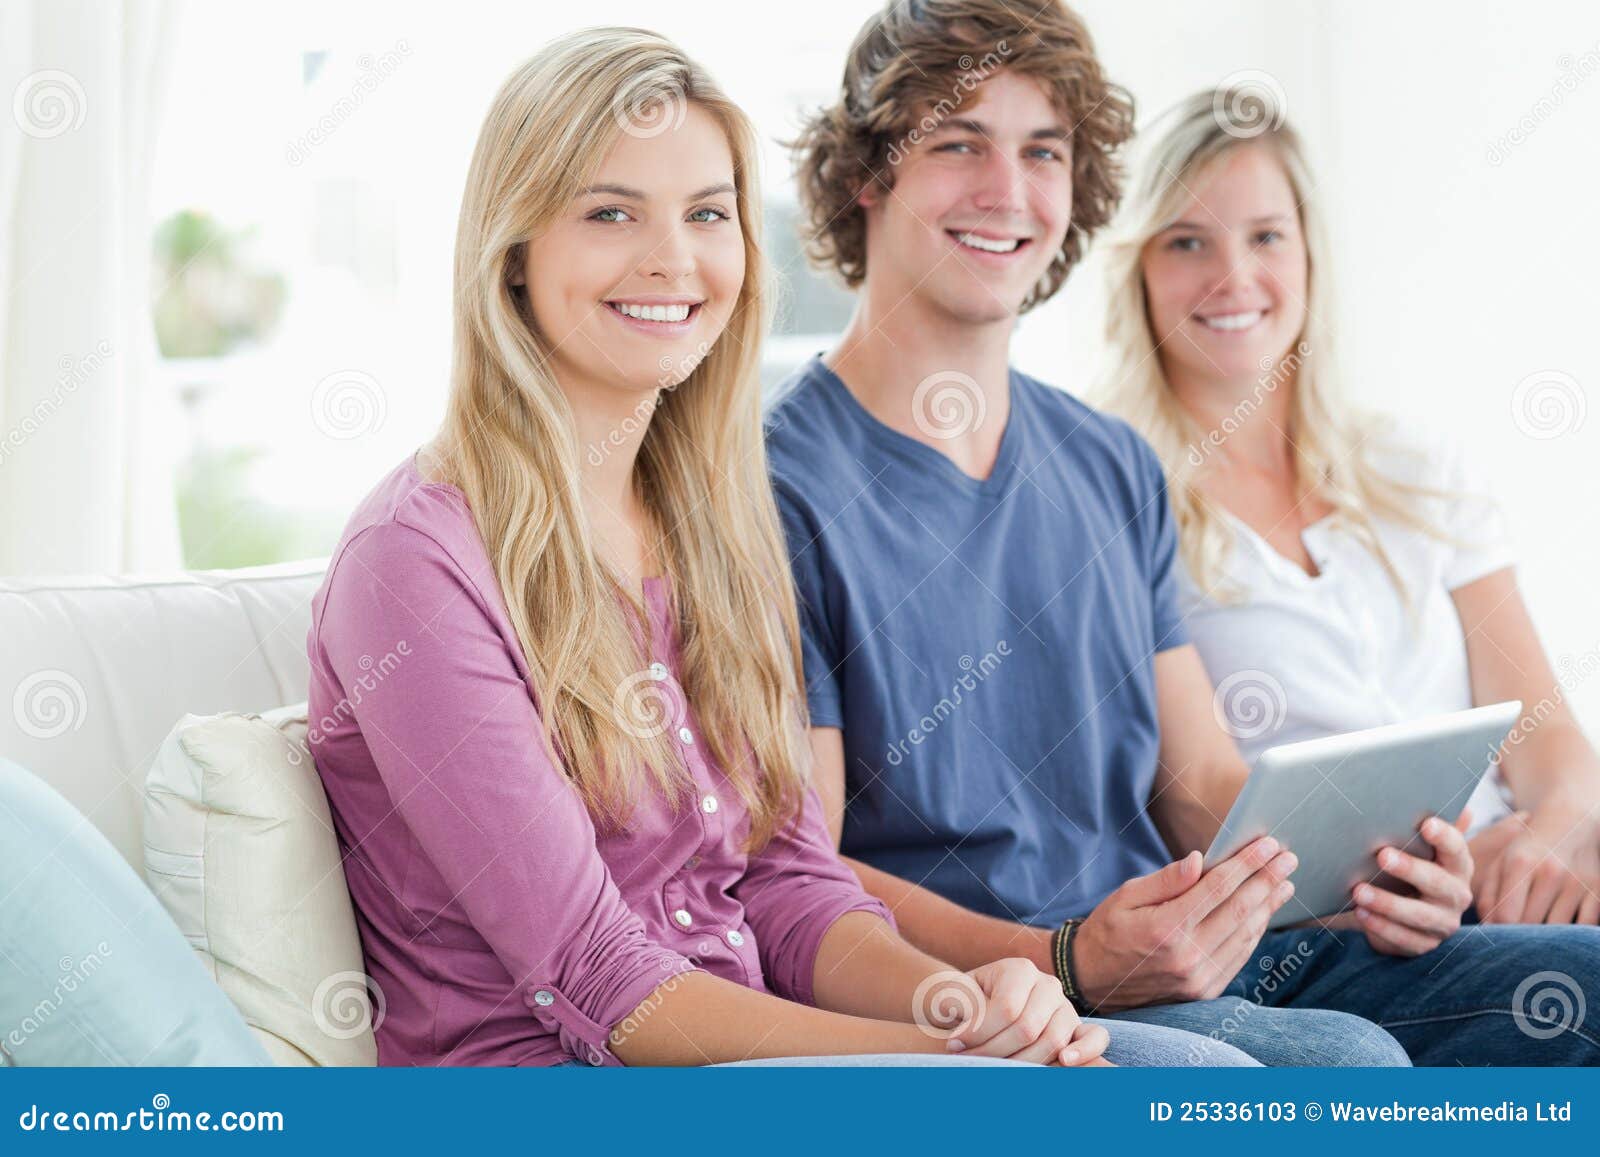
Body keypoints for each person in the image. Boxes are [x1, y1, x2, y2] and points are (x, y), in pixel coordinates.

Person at [301, 27, 1248, 1069]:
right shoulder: (414, 561)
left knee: (1179, 1071)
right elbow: (600, 978)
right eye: (611, 212)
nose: (673, 258)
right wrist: (929, 1056)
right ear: (513, 250)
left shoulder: (715, 522)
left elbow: (788, 881)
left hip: (761, 1066)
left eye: (708, 214)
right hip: (554, 1082)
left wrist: (961, 1007)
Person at [766, 0, 1599, 1064]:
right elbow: (798, 863)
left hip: (1191, 948)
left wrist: (1373, 875)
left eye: (1042, 151)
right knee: (1341, 1065)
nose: (1007, 191)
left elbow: (1200, 783)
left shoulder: (1106, 463)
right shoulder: (779, 485)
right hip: (1014, 982)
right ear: (864, 176)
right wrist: (1063, 953)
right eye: (957, 143)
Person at [1094, 88, 1600, 931]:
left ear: (1308, 256)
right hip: (1325, 922)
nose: (1234, 278)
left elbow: (1548, 734)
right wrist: (1416, 881)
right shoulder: (1113, 493)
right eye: (1187, 242)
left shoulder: (1415, 466)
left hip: (1496, 887)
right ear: (1138, 269)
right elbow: (1189, 802)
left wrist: (1551, 841)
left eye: (1265, 237)